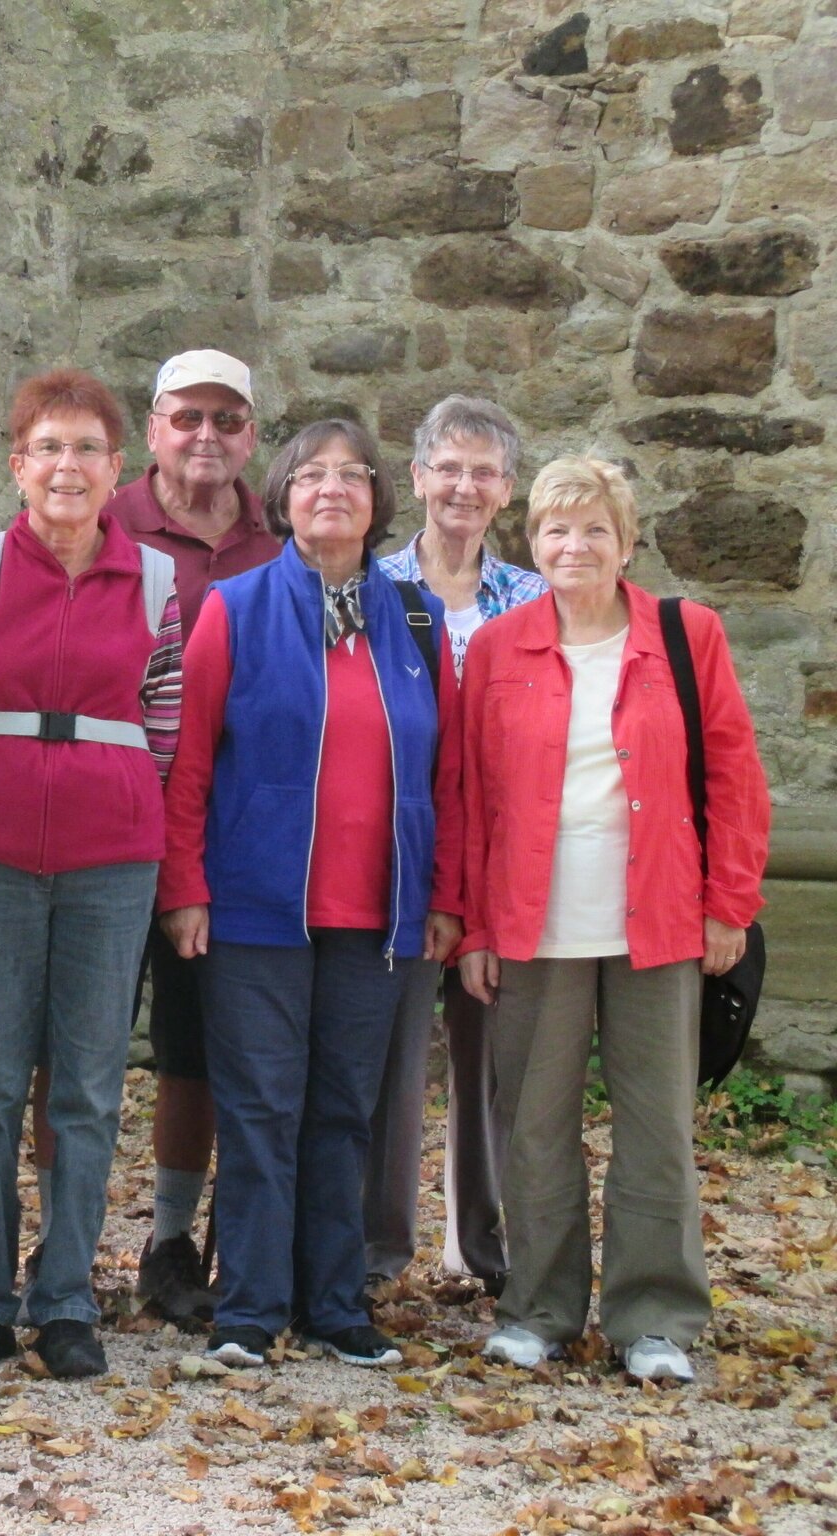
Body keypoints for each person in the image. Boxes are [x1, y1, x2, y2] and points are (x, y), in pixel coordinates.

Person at [157, 417, 463, 1373]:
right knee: (258, 1108)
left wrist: (445, 896)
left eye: (353, 475)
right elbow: (190, 763)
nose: (332, 488)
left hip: (378, 916)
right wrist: (185, 887)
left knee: (344, 1112)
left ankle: (334, 1304)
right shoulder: (237, 608)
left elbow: (448, 775)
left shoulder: (417, 620)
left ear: (378, 501)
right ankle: (248, 1307)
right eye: (312, 475)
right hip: (255, 907)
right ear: (283, 496)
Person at [458, 457, 769, 1384]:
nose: (575, 545)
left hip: (661, 917)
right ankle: (540, 1308)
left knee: (656, 1124)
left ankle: (655, 1318)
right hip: (533, 920)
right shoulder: (501, 649)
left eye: (595, 529)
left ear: (627, 543)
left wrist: (731, 906)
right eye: (557, 530)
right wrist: (472, 927)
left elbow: (736, 775)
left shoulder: (686, 635)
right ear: (533, 545)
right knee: (535, 1126)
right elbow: (468, 797)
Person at [0, 368, 183, 1382]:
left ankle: (65, 1294)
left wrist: (113, 808)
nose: (64, 467)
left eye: (84, 449)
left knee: (83, 1086)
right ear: (15, 465)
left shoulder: (155, 585)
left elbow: (161, 732)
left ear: (115, 469)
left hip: (109, 863)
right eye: (46, 448)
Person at [100, 347, 281, 1325]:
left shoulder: (280, 539)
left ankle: (170, 1243)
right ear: (153, 425)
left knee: (192, 1053)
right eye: (186, 418)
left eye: (224, 419)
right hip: (102, 822)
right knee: (71, 1049)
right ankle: (55, 1244)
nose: (204, 436)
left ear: (249, 434)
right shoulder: (100, 520)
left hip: (222, 840)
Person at [365, 395, 546, 1304]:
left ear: (506, 490)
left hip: (501, 855)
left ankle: (485, 1247)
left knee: (493, 1055)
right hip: (396, 847)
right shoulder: (374, 587)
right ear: (418, 477)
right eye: (450, 467)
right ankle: (376, 1248)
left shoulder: (535, 598)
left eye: (484, 472)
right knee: (392, 1055)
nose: (464, 487)